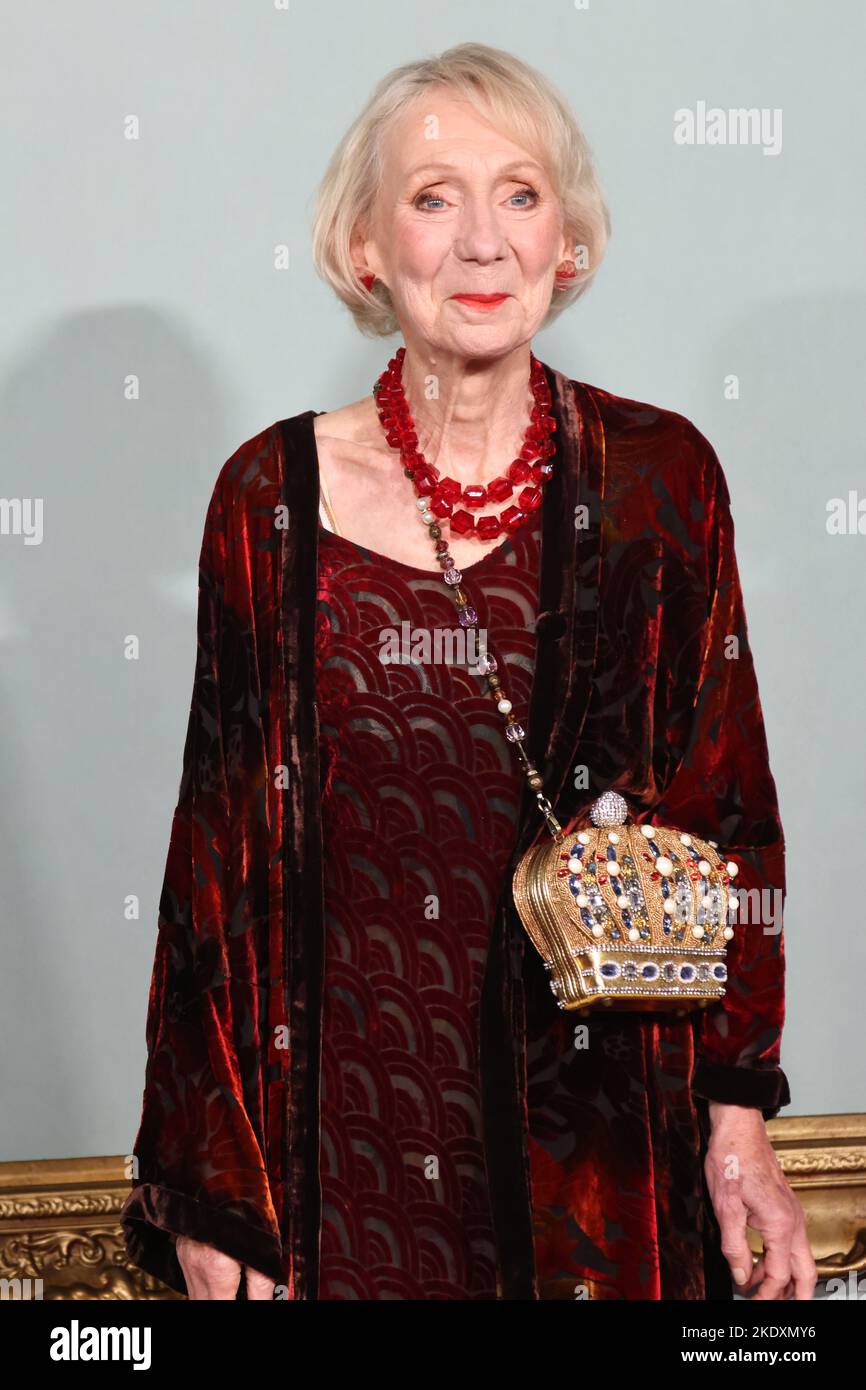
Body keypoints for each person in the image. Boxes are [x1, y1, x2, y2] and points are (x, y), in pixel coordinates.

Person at [120, 41, 816, 1301]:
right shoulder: (267, 499)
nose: (483, 240)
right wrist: (210, 1181)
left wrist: (738, 1125)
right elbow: (213, 867)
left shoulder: (662, 483)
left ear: (568, 240)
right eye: (434, 196)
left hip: (601, 1170)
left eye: (521, 192)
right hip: (338, 1163)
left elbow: (730, 827)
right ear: (367, 248)